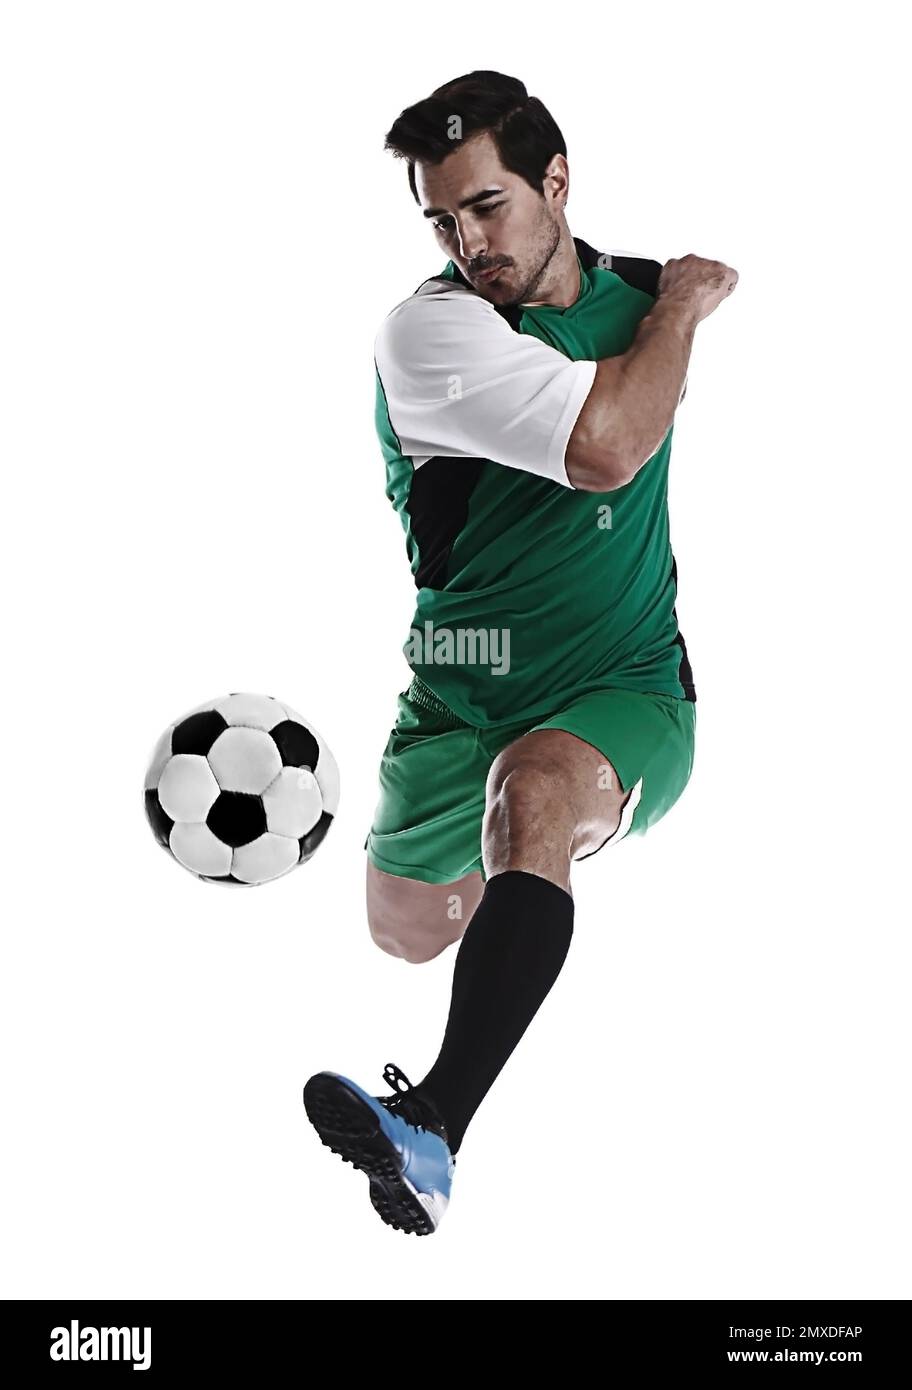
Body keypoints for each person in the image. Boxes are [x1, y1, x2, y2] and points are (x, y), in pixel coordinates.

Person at [303, 70, 738, 1235]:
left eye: (486, 205)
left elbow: (643, 301)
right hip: (454, 697)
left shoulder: (633, 294)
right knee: (402, 931)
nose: (467, 240)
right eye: (442, 219)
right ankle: (514, 882)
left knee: (533, 791)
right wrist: (683, 310)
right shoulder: (433, 329)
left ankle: (435, 1123)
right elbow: (606, 445)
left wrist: (667, 295)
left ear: (556, 183)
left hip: (625, 686)